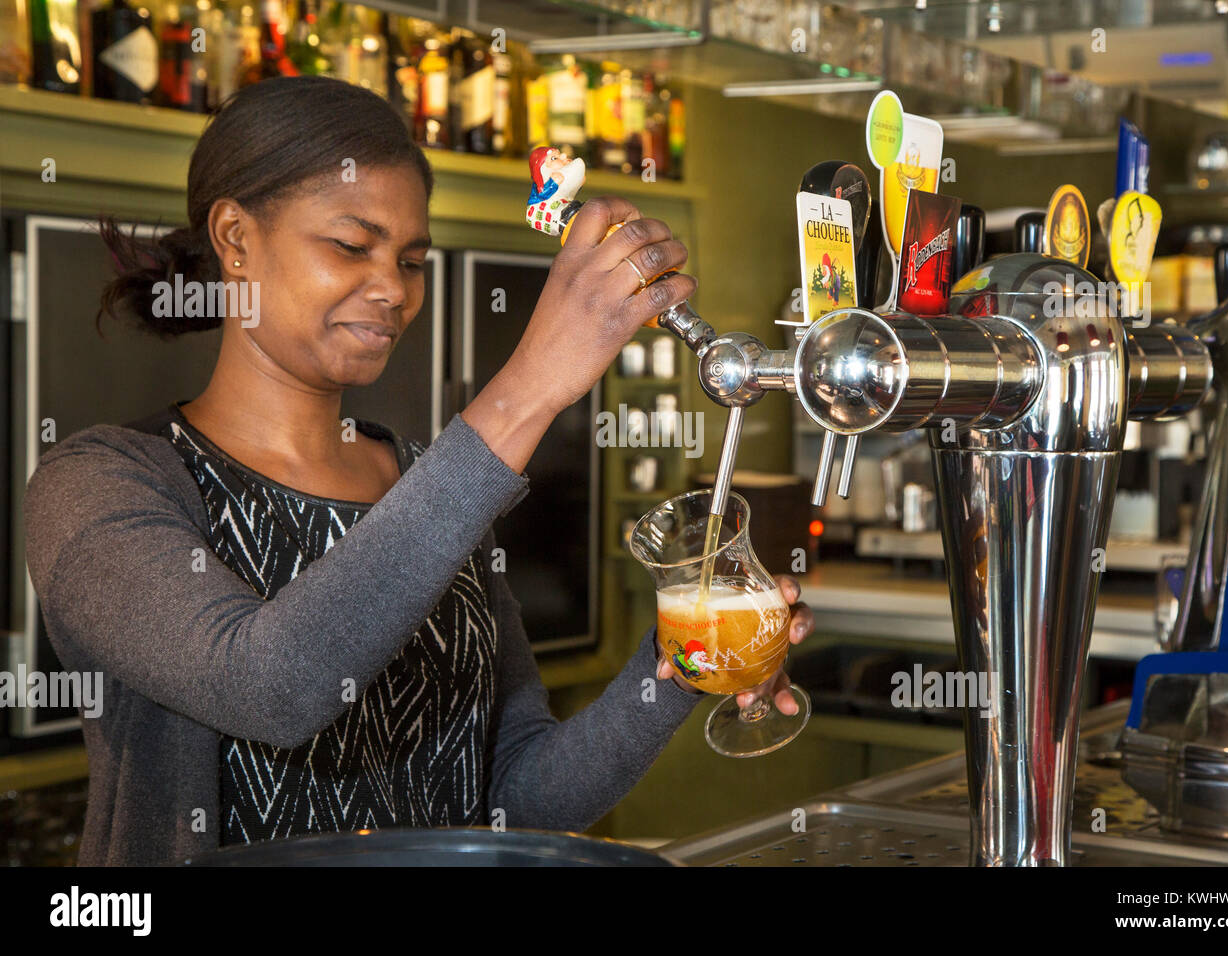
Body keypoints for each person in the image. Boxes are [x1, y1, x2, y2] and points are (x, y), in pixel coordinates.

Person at [22, 75, 813, 866]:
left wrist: (679, 668)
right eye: (350, 245)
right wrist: (528, 389)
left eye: (411, 259)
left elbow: (521, 796)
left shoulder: (420, 480)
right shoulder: (95, 486)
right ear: (235, 237)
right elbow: (269, 688)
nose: (393, 290)